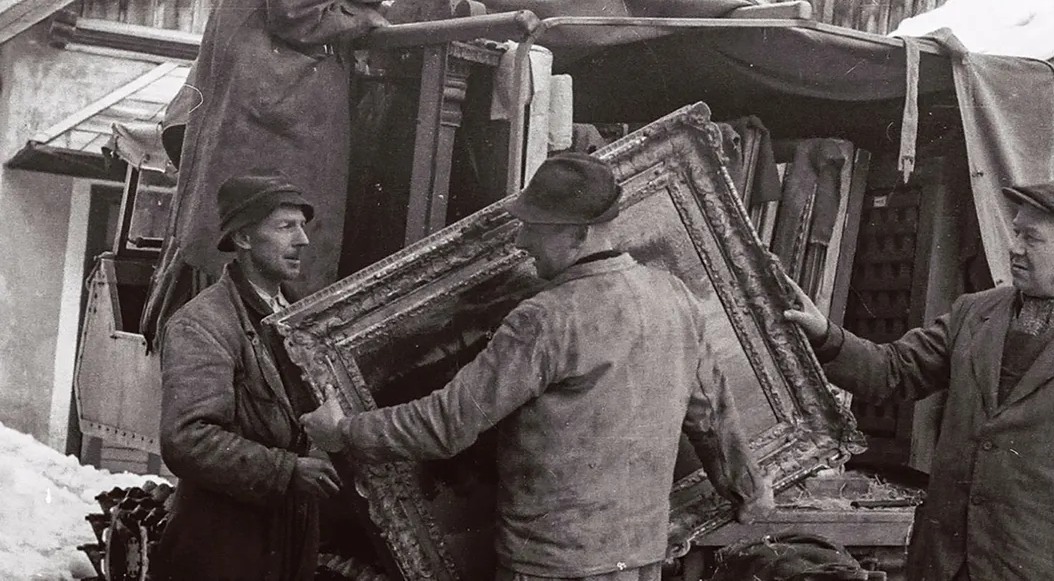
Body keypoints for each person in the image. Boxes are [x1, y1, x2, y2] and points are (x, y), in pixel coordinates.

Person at [300, 152, 772, 581]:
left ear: (581, 233)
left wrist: (344, 431)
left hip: (553, 567)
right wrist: (748, 491)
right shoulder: (673, 297)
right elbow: (711, 415)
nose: (521, 241)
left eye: (535, 228)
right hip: (638, 558)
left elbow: (447, 424)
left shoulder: (546, 318)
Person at [146, 0, 475, 337]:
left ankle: (284, 317)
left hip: (309, 53)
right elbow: (294, 15)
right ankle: (245, 327)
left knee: (303, 197)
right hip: (269, 62)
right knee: (271, 195)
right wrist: (366, 19)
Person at [785, 181, 1054, 581]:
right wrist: (824, 335)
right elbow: (893, 370)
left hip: (1047, 567)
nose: (1014, 247)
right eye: (1016, 232)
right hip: (942, 562)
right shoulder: (974, 313)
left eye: (1031, 238)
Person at [155, 173, 341, 581]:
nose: (302, 240)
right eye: (285, 226)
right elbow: (187, 438)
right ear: (242, 239)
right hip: (222, 547)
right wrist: (287, 471)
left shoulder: (300, 318)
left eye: (303, 226)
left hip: (288, 539)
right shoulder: (202, 323)